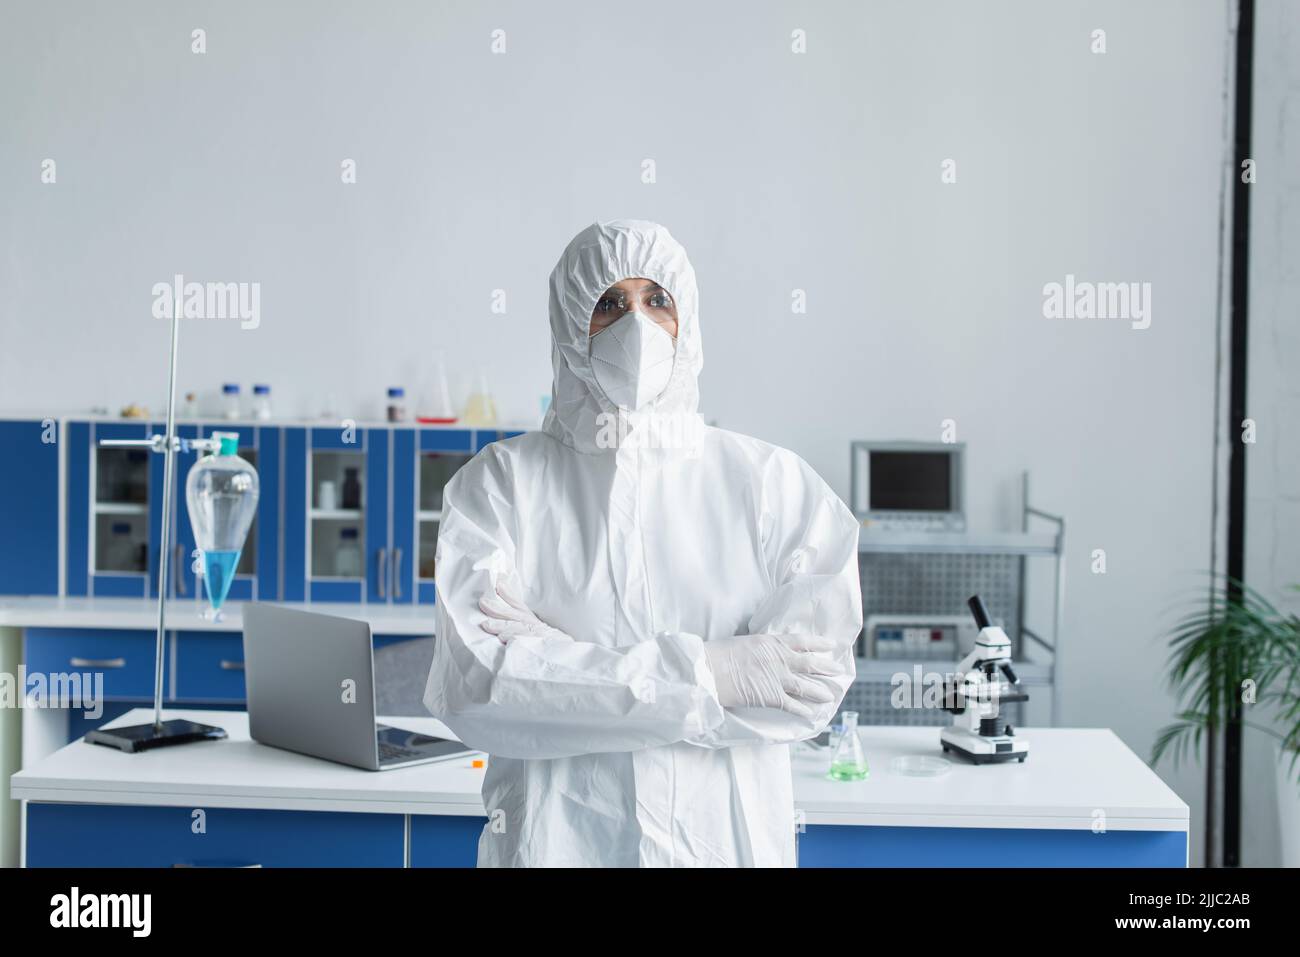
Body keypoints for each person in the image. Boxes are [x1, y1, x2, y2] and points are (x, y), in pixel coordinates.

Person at [423, 219, 862, 867]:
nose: (637, 325)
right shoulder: (500, 487)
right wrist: (715, 671)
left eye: (657, 300)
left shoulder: (773, 487)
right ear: (571, 326)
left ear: (687, 320)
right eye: (609, 304)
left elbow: (810, 690)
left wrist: (556, 661)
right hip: (556, 847)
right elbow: (482, 690)